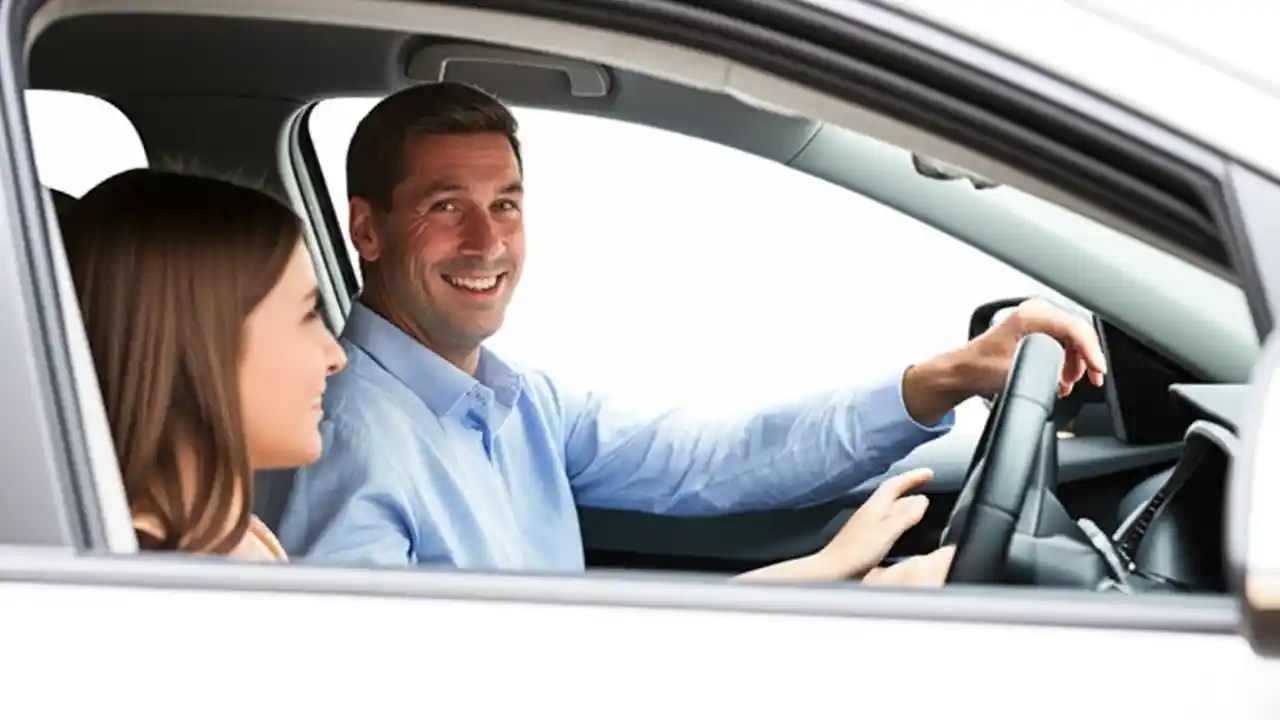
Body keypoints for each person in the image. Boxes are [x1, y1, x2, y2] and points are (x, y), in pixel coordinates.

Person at [275, 82, 1106, 583]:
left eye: (506, 204)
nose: (487, 242)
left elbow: (710, 458)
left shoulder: (513, 399)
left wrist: (943, 378)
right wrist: (826, 583)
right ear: (368, 230)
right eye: (445, 205)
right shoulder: (345, 442)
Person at [63, 168, 348, 559]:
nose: (337, 357)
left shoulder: (216, 543)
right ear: (199, 343)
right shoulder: (164, 579)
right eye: (308, 315)